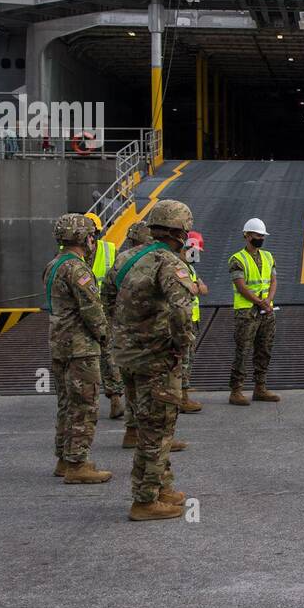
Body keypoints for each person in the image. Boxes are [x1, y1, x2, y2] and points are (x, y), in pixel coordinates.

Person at [110, 199, 196, 521]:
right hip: (157, 358)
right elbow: (181, 309)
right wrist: (180, 346)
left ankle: (162, 486)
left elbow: (107, 298)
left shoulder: (126, 258)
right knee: (158, 428)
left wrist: (122, 336)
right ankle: (145, 499)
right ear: (179, 231)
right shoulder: (168, 262)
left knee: (150, 422)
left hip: (127, 356)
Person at [44, 213, 113, 484]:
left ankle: (64, 457)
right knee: (85, 405)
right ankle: (78, 464)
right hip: (80, 347)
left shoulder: (53, 265)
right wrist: (106, 338)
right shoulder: (78, 269)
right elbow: (92, 310)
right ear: (86, 238)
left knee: (66, 403)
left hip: (59, 344)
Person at [74, 211, 124, 420]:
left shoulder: (107, 250)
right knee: (101, 355)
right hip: (92, 311)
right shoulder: (106, 249)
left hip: (95, 312)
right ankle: (104, 398)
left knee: (100, 355)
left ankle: (110, 398)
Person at [228, 218, 280, 406]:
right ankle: (236, 390)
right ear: (247, 236)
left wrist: (268, 301)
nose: (260, 239)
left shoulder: (268, 256)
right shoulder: (237, 259)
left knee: (264, 349)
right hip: (246, 313)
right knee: (243, 350)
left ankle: (260, 388)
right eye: (257, 235)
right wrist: (260, 302)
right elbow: (241, 286)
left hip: (266, 311)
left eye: (262, 236)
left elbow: (273, 280)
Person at [179, 230, 208, 412]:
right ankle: (182, 398)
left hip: (192, 320)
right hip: (184, 321)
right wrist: (197, 287)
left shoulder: (190, 267)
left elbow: (202, 289)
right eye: (194, 251)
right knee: (183, 360)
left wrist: (198, 286)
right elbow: (193, 289)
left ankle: (184, 392)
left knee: (188, 359)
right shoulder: (179, 267)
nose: (196, 255)